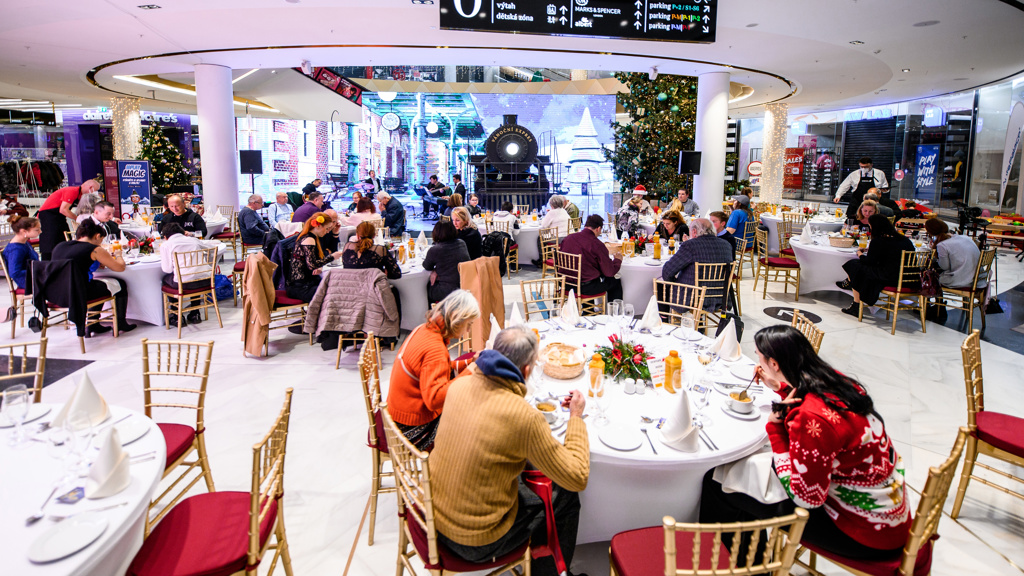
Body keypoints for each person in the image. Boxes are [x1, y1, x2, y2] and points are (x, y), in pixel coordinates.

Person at [700, 325, 909, 562]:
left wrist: (775, 429)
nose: (757, 361)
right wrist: (780, 387)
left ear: (774, 364)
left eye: (759, 356)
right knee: (747, 477)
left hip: (866, 531)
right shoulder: (834, 380)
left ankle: (725, 563)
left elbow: (807, 498)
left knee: (720, 484)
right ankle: (752, 559)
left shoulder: (812, 418)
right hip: (887, 510)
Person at [432, 326, 589, 576]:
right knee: (565, 495)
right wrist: (576, 417)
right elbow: (578, 477)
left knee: (527, 472)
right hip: (473, 541)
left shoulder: (457, 386)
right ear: (526, 370)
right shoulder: (522, 416)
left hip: (432, 517)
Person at [386, 289, 480, 450]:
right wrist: (472, 369)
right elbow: (434, 400)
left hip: (399, 411)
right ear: (456, 319)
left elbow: (439, 370)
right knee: (475, 421)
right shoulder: (434, 348)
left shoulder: (425, 329)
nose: (469, 331)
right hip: (412, 428)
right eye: (469, 325)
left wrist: (470, 362)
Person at [52, 220, 136, 334]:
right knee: (119, 283)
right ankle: (121, 323)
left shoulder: (60, 246)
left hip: (57, 292)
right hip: (80, 292)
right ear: (97, 236)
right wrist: (118, 255)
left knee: (99, 284)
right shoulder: (94, 249)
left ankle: (94, 324)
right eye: (101, 240)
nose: (100, 243)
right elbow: (120, 268)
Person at [836, 214, 915, 316]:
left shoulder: (878, 241)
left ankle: (856, 303)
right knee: (857, 267)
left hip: (888, 277)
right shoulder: (905, 240)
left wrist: (860, 254)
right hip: (908, 278)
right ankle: (849, 283)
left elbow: (869, 262)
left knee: (853, 265)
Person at [663, 218, 734, 310]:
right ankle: (698, 320)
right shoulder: (726, 245)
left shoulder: (690, 245)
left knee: (661, 285)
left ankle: (663, 320)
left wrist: (673, 283)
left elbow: (668, 271)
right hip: (720, 298)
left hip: (691, 299)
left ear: (694, 231)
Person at [159, 222, 222, 326]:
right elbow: (211, 246)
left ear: (165, 237)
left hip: (184, 284)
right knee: (194, 274)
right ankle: (195, 313)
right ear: (183, 232)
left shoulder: (166, 245)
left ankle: (177, 316)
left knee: (167, 278)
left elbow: (167, 269)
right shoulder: (193, 240)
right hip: (206, 280)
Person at [559, 214, 623, 302]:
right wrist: (617, 260)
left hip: (564, 284)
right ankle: (616, 313)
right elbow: (609, 272)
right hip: (584, 287)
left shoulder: (568, 238)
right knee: (614, 281)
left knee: (589, 274)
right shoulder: (597, 244)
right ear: (598, 228)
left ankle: (588, 311)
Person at [286, 212, 344, 303]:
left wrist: (319, 266)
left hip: (300, 284)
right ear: (318, 226)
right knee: (335, 293)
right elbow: (312, 265)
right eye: (327, 228)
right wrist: (332, 257)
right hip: (300, 288)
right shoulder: (309, 239)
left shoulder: (309, 236)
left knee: (334, 288)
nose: (328, 231)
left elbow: (310, 263)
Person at [38, 178, 99, 260]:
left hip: (59, 217)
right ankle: (47, 263)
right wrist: (78, 219)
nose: (94, 193)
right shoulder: (72, 191)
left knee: (64, 236)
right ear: (90, 187)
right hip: (49, 215)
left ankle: (62, 259)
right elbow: (63, 210)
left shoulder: (80, 195)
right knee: (51, 240)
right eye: (95, 190)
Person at [422, 220, 471, 305]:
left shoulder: (435, 250)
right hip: (465, 286)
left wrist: (435, 270)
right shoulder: (462, 243)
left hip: (447, 291)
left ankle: (432, 314)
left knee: (422, 287)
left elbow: (426, 266)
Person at [925, 218, 983, 288]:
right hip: (979, 280)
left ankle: (929, 298)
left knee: (931, 278)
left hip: (962, 280)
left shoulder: (942, 245)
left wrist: (936, 255)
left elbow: (944, 267)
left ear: (930, 232)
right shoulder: (965, 237)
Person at [834, 157, 889, 222]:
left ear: (871, 165)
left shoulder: (880, 173)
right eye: (861, 167)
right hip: (857, 201)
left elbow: (885, 186)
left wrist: (884, 190)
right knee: (851, 219)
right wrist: (838, 195)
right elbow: (844, 185)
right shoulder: (854, 174)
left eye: (866, 167)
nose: (863, 169)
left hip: (873, 203)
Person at [1, 214, 40, 290]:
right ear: (24, 231)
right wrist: (39, 271)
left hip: (35, 276)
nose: (40, 231)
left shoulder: (24, 243)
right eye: (37, 230)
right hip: (28, 281)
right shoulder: (16, 249)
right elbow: (15, 273)